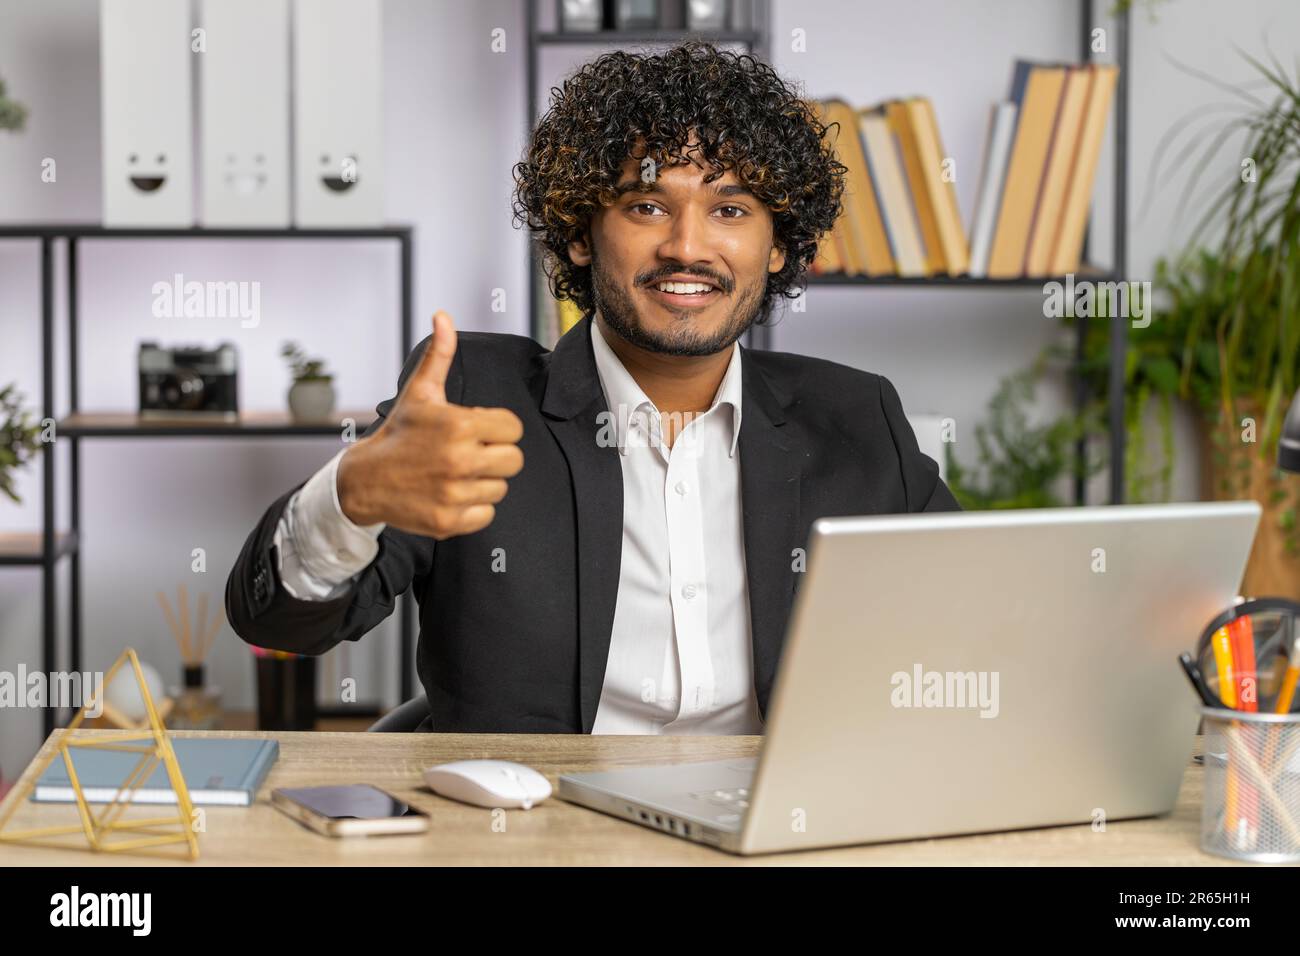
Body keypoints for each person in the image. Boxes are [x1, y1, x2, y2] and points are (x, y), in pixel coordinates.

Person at [226, 43, 959, 735]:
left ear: (776, 247)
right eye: (647, 206)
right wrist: (353, 494)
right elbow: (281, 623)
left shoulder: (856, 417)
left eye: (730, 210)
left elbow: (981, 621)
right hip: (536, 832)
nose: (687, 246)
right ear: (580, 234)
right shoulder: (475, 400)